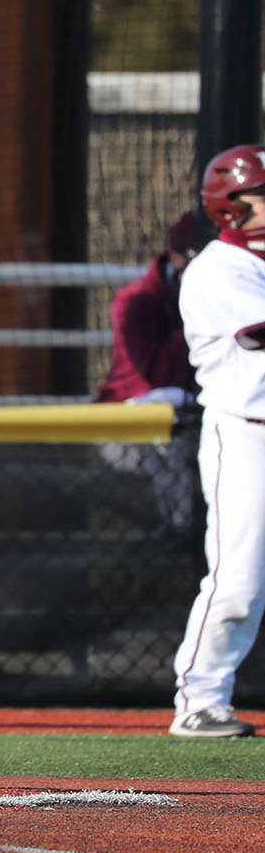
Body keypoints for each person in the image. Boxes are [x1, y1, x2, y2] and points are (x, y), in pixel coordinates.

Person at [169, 144, 265, 739]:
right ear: (230, 205)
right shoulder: (218, 269)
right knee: (238, 583)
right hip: (247, 437)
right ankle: (199, 700)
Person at [94, 210, 199, 543]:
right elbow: (156, 377)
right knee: (161, 411)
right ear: (175, 256)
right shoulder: (135, 302)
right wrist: (197, 322)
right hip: (124, 432)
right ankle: (179, 529)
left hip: (193, 423)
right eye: (192, 255)